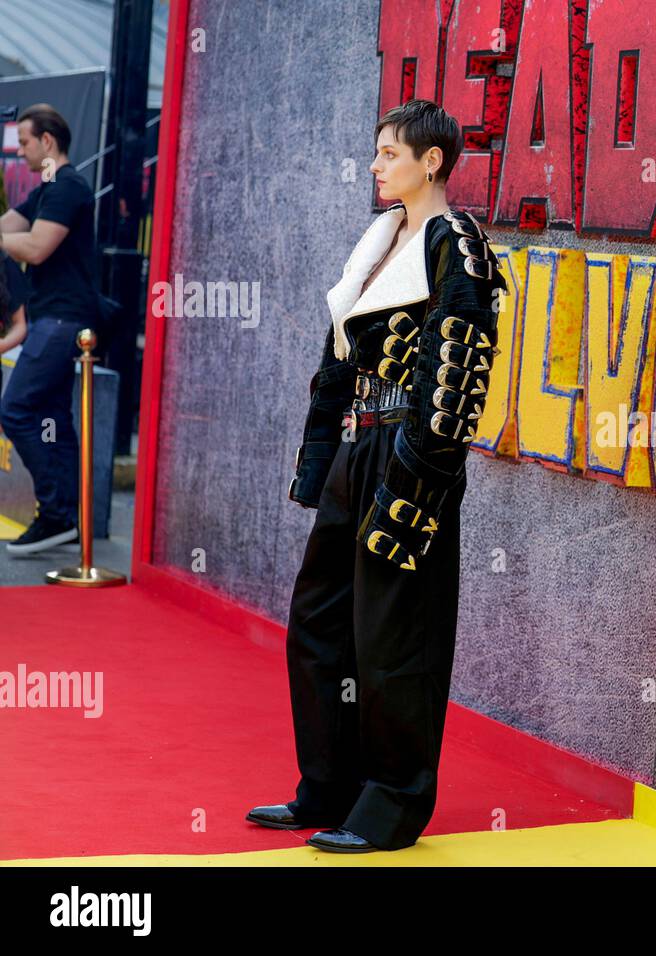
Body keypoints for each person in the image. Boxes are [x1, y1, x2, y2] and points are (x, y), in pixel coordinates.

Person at [246, 100, 508, 853]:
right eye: (376, 151)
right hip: (358, 452)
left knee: (395, 635)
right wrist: (321, 464)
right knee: (320, 623)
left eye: (390, 152)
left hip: (407, 453)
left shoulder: (453, 239)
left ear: (432, 160)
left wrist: (417, 481)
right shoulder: (381, 240)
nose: (375, 164)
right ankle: (328, 786)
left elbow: (460, 368)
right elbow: (339, 363)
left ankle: (392, 803)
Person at [0, 104, 98, 555]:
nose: (19, 152)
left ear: (48, 142)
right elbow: (9, 227)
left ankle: (55, 512)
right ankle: (65, 519)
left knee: (17, 409)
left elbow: (36, 247)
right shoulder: (47, 189)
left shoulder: (68, 187)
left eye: (24, 143)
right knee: (51, 420)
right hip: (51, 319)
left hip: (63, 321)